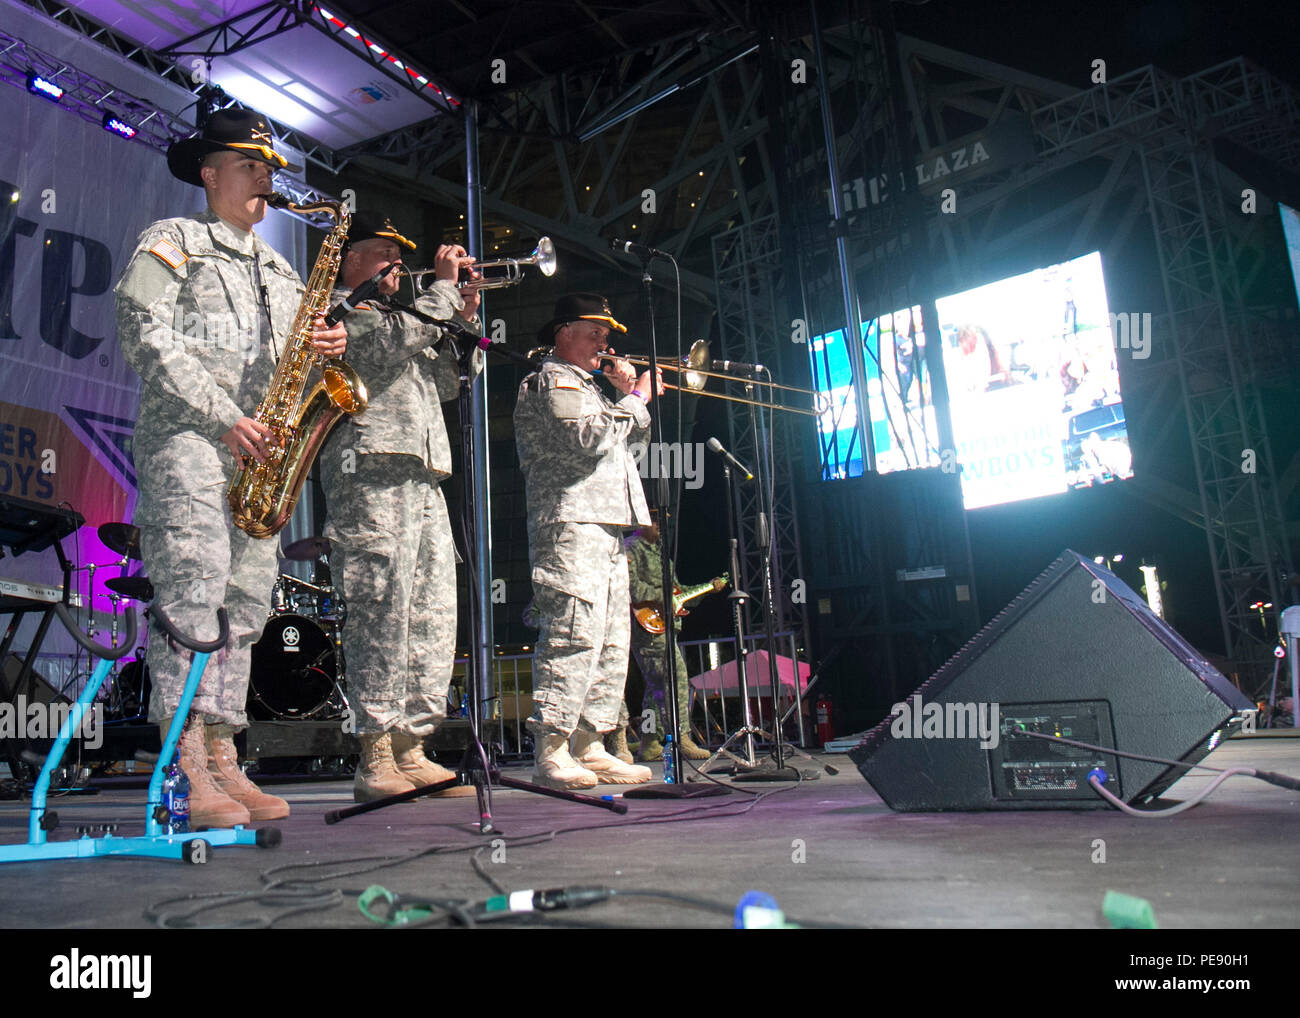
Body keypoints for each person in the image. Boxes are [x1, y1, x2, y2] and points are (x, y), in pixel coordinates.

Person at [115, 109, 349, 827]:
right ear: (210, 172)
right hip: (190, 442)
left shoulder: (280, 267)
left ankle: (223, 755)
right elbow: (138, 324)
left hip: (262, 456)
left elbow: (292, 366)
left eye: (269, 168)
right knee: (193, 594)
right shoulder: (173, 241)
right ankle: (182, 762)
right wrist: (222, 412)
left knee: (245, 607)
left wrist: (326, 347)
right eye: (250, 167)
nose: (265, 180)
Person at [318, 212, 482, 801]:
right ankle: (375, 752)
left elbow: (445, 383)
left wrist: (461, 319)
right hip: (371, 470)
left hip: (423, 472)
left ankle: (413, 745)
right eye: (383, 250)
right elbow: (386, 351)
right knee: (381, 610)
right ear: (350, 258)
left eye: (398, 251)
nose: (394, 261)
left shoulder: (407, 316)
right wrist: (440, 292)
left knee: (431, 614)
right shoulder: (340, 311)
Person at [514, 294, 661, 790]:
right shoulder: (551, 379)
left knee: (610, 640)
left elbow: (625, 447)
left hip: (608, 526)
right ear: (563, 333)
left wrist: (625, 399)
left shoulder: (594, 389)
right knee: (572, 634)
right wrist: (634, 400)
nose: (605, 340)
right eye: (594, 330)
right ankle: (551, 747)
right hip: (570, 523)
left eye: (607, 332)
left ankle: (589, 742)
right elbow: (586, 439)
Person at [625, 512, 711, 761]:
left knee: (656, 688)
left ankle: (650, 741)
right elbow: (630, 586)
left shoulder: (662, 554)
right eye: (655, 521)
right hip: (647, 628)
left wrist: (705, 590)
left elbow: (677, 594)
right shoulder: (631, 548)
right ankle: (681, 737)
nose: (661, 526)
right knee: (676, 679)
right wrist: (661, 596)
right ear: (642, 522)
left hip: (666, 626)